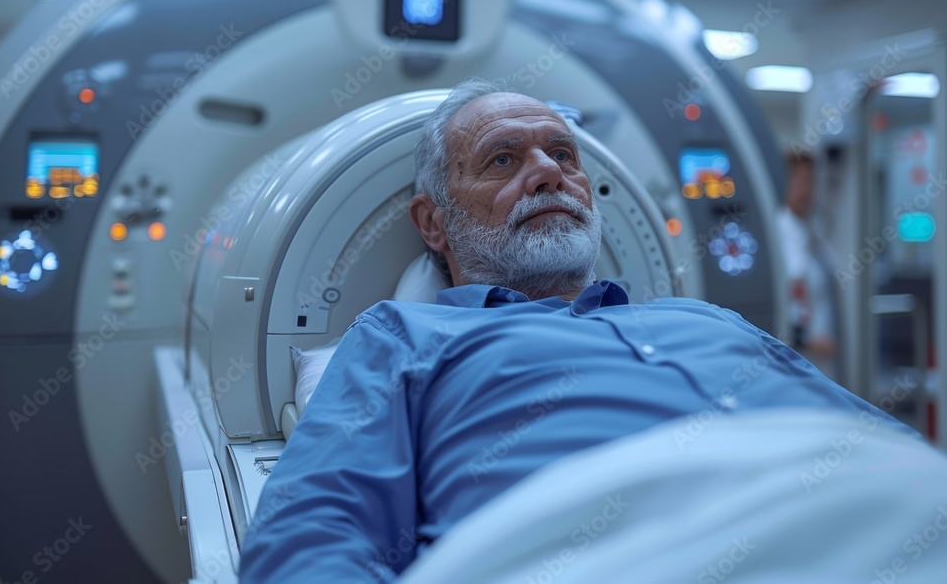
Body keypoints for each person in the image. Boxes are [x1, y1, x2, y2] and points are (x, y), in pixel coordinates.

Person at [239, 79, 914, 583]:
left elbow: (882, 446)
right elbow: (311, 533)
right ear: (434, 222)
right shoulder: (400, 339)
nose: (547, 171)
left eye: (562, 153)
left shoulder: (705, 322)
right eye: (503, 160)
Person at [776, 152, 839, 371]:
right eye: (800, 181)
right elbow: (788, 296)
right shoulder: (780, 230)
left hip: (820, 356)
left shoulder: (811, 229)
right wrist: (807, 341)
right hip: (802, 355)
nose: (806, 191)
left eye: (810, 181)